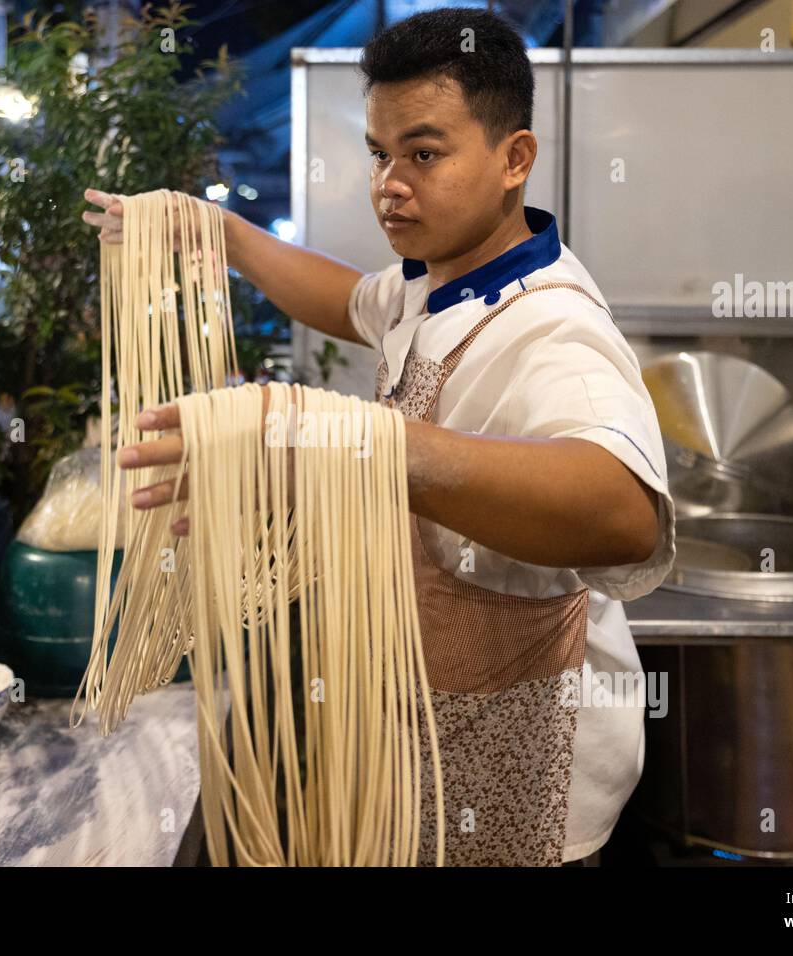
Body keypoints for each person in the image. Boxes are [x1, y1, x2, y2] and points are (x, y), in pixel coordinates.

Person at [83, 6, 675, 867]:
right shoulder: (432, 284)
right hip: (426, 724)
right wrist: (226, 237)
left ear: (514, 159)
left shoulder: (553, 328)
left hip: (524, 750)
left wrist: (344, 443)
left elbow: (622, 516)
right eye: (378, 153)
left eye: (424, 154)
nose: (389, 183)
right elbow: (346, 299)